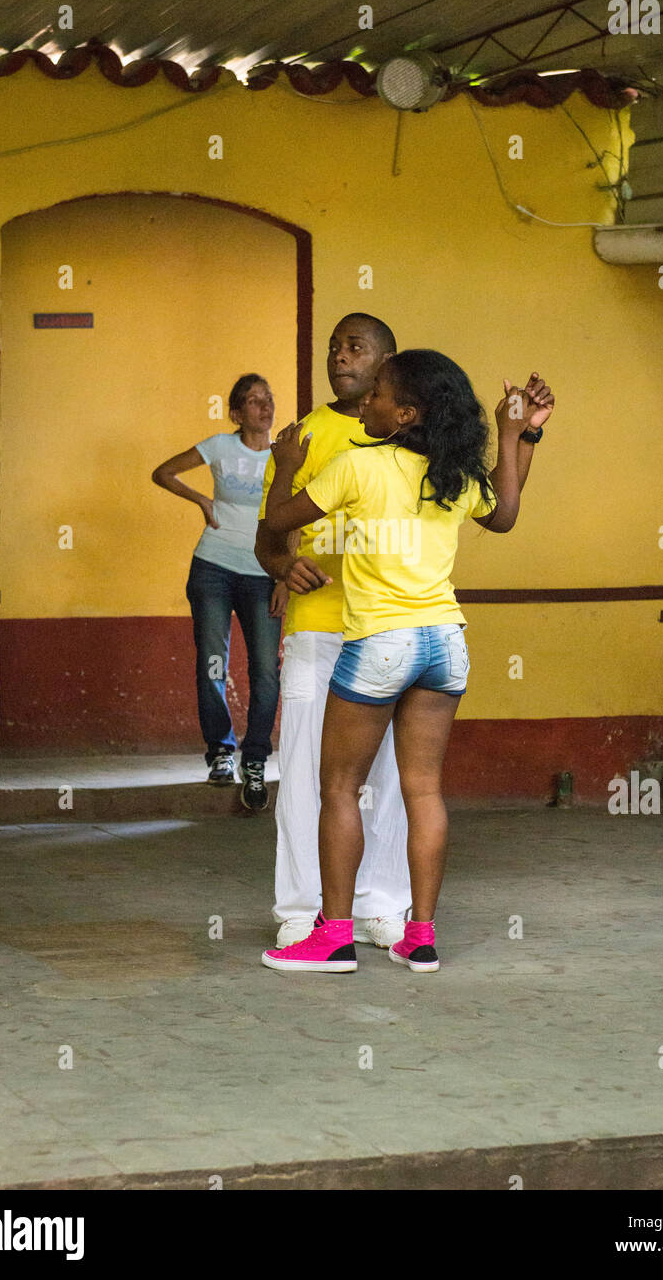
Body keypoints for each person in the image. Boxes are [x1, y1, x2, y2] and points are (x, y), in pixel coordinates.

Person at [259, 351, 554, 973]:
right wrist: (517, 432)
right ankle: (419, 936)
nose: (365, 403)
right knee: (424, 790)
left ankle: (333, 937)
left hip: (380, 643)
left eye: (378, 397)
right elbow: (504, 512)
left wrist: (284, 465)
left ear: (406, 414)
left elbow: (277, 522)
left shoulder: (357, 466)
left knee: (338, 787)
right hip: (445, 643)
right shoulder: (452, 475)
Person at [254, 314, 412, 949]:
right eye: (334, 348)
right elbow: (266, 539)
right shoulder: (303, 437)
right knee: (300, 767)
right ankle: (299, 905)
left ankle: (380, 902)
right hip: (316, 630)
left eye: (355, 347)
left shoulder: (409, 436)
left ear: (386, 361)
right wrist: (281, 566)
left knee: (386, 775)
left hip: (383, 629)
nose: (339, 357)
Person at [151, 375, 286, 813]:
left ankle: (256, 758)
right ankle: (221, 752)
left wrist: (285, 576)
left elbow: (295, 520)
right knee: (213, 662)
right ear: (235, 413)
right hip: (213, 568)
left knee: (267, 671)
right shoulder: (219, 447)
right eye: (253, 401)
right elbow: (163, 472)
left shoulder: (285, 457)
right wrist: (202, 501)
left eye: (268, 400)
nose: (264, 408)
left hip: (264, 573)